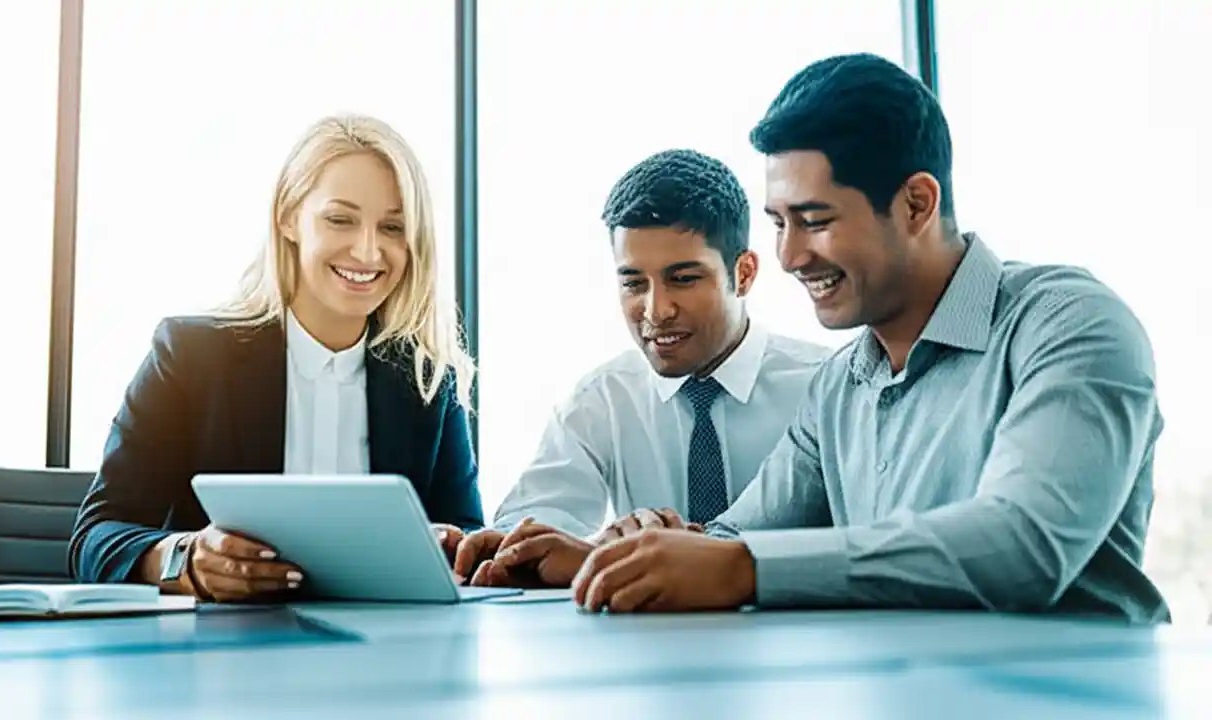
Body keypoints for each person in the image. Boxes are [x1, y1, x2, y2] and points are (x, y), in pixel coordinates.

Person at [525, 53, 1168, 623]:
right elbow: (729, 543)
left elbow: (1025, 542)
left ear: (916, 204)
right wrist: (600, 559)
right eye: (780, 223)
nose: (790, 255)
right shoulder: (839, 386)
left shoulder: (1069, 324)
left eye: (816, 221)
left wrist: (745, 569)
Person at [68, 114, 482, 602]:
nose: (368, 251)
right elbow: (95, 537)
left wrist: (453, 550)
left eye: (392, 227)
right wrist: (187, 561)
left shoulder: (428, 380)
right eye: (340, 219)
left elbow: (468, 541)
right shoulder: (190, 357)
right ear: (289, 218)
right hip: (217, 659)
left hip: (385, 656)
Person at [454, 149, 829, 587]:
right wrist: (607, 546)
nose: (656, 310)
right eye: (633, 283)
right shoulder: (604, 398)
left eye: (683, 279)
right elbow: (534, 523)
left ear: (743, 274)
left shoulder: (823, 388)